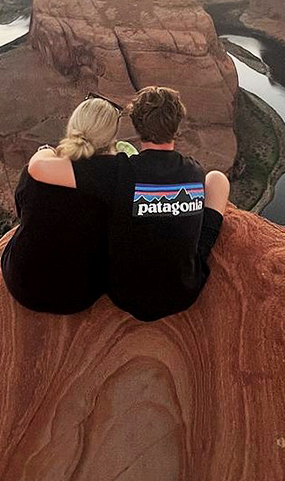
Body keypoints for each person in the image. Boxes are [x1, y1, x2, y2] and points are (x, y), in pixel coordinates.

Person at [28, 86, 230, 321]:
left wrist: (46, 151)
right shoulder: (194, 170)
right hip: (185, 291)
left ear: (136, 126)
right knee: (217, 179)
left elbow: (38, 168)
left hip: (125, 294)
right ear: (176, 126)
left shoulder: (119, 172)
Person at [0, 95, 125, 314]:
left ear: (72, 127)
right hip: (77, 296)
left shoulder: (38, 172)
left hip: (19, 281)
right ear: (112, 138)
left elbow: (22, 212)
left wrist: (46, 151)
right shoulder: (118, 183)